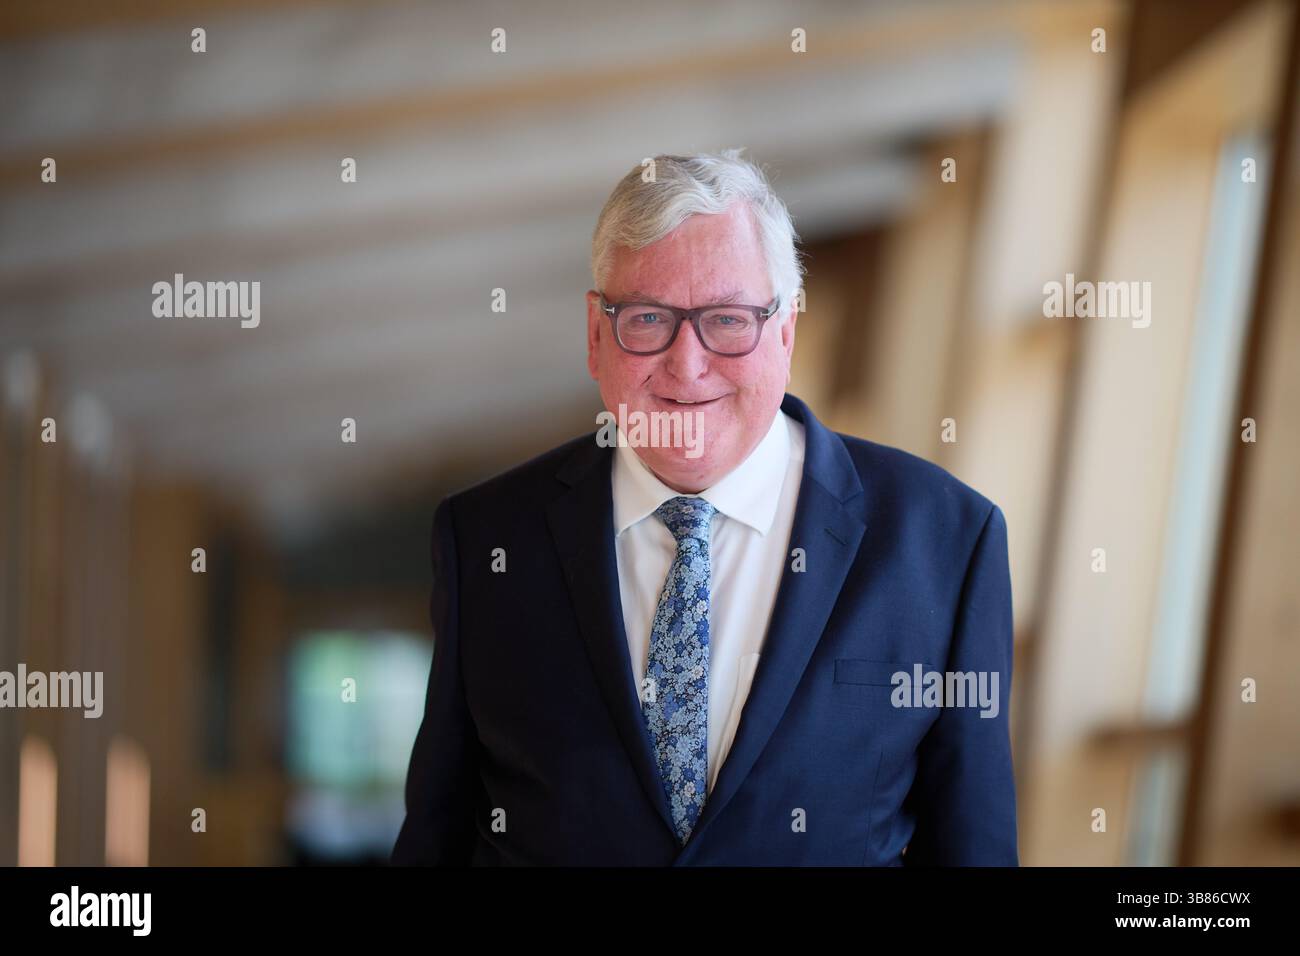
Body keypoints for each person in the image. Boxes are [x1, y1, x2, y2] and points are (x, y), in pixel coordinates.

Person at [392, 149, 1017, 865]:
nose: (687, 366)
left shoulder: (945, 542)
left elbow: (974, 850)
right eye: (648, 318)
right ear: (596, 334)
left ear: (785, 330)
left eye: (726, 320)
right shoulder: (486, 542)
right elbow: (437, 840)